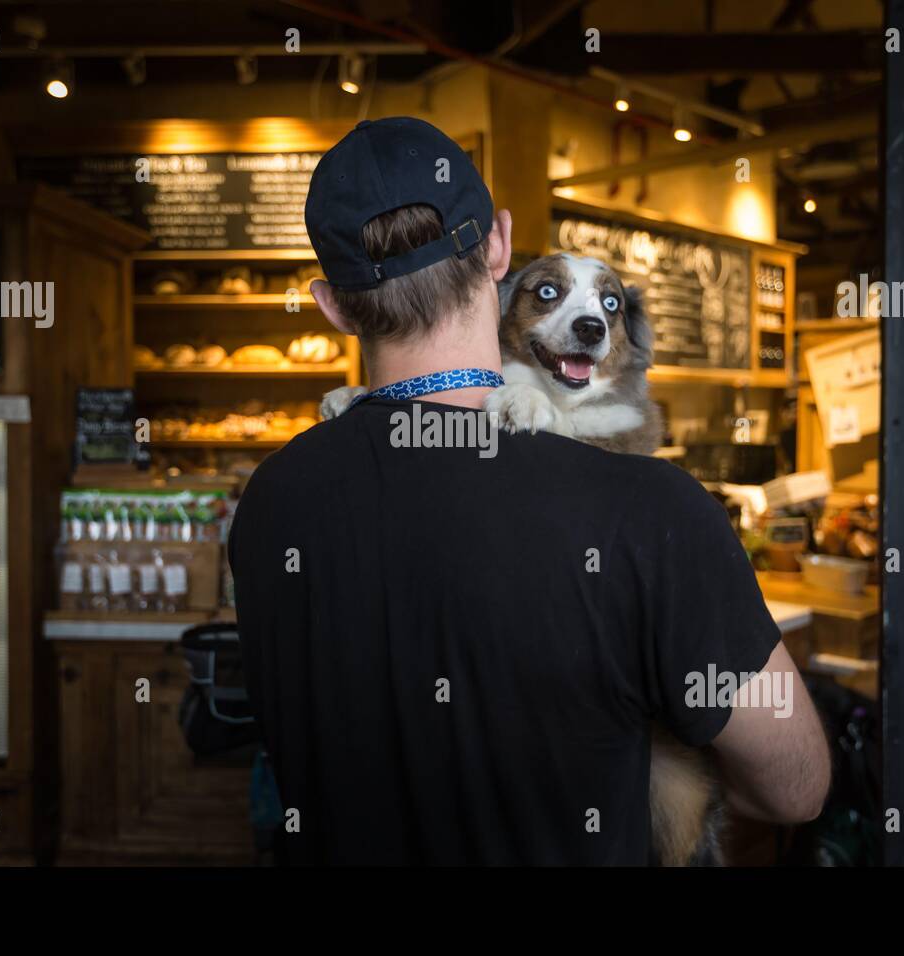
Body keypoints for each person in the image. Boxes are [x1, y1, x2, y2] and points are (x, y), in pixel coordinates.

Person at [228, 116, 829, 865]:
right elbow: (796, 787)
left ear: (334, 305)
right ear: (499, 248)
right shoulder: (653, 512)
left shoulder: (270, 501)